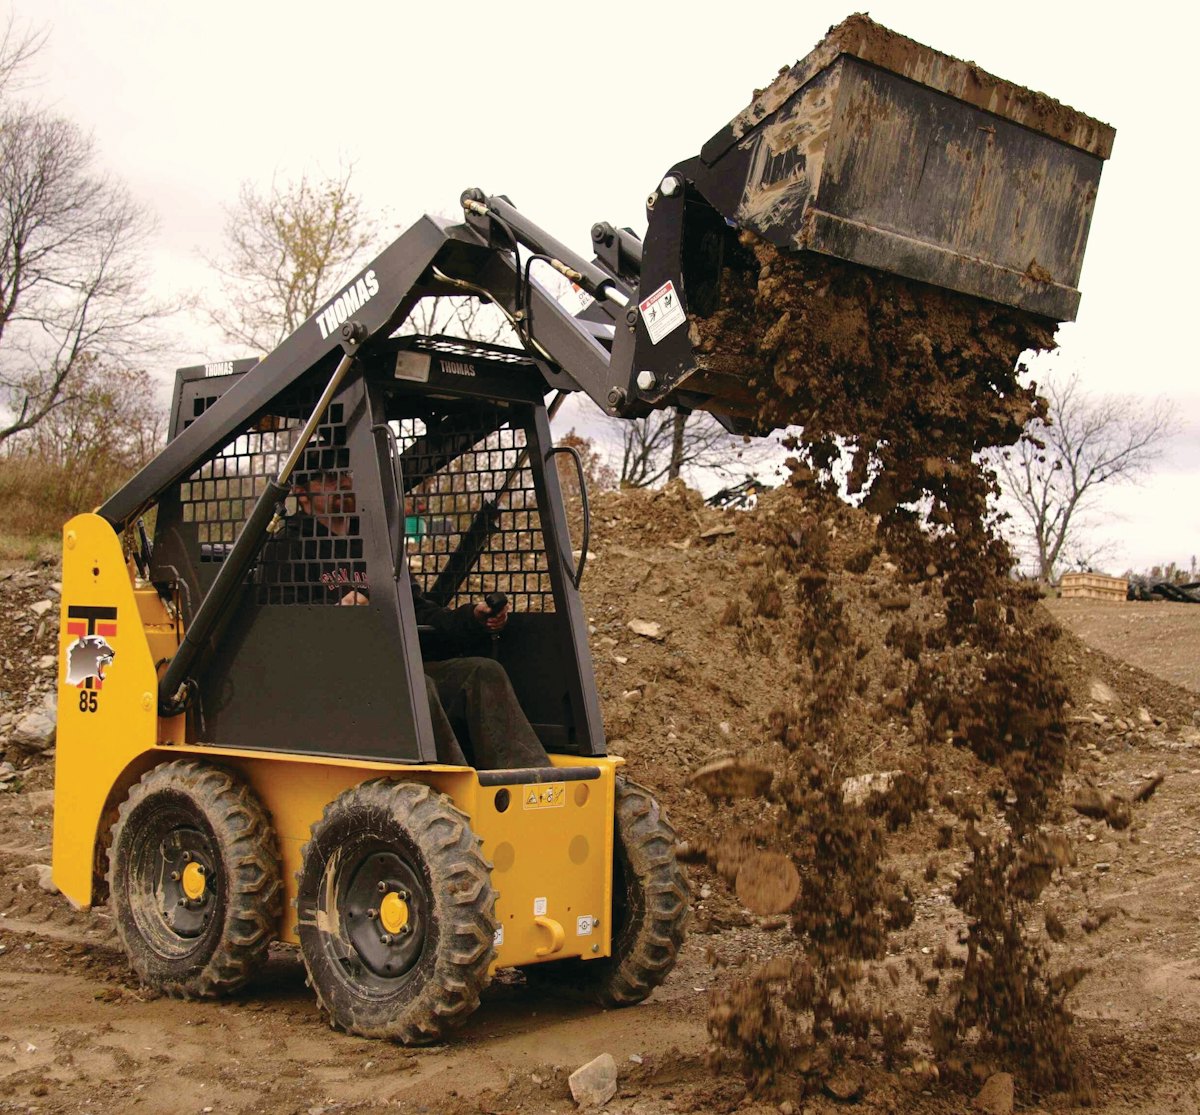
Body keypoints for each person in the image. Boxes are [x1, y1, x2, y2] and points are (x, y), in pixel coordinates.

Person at [292, 469, 552, 770]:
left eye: (345, 474)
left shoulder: (376, 544)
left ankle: (532, 782)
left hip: (391, 670)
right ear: (302, 493)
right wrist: (337, 618)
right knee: (417, 686)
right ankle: (449, 789)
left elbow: (419, 611)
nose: (344, 483)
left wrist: (471, 617)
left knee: (483, 672)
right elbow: (285, 636)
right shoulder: (288, 548)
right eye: (328, 478)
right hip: (335, 682)